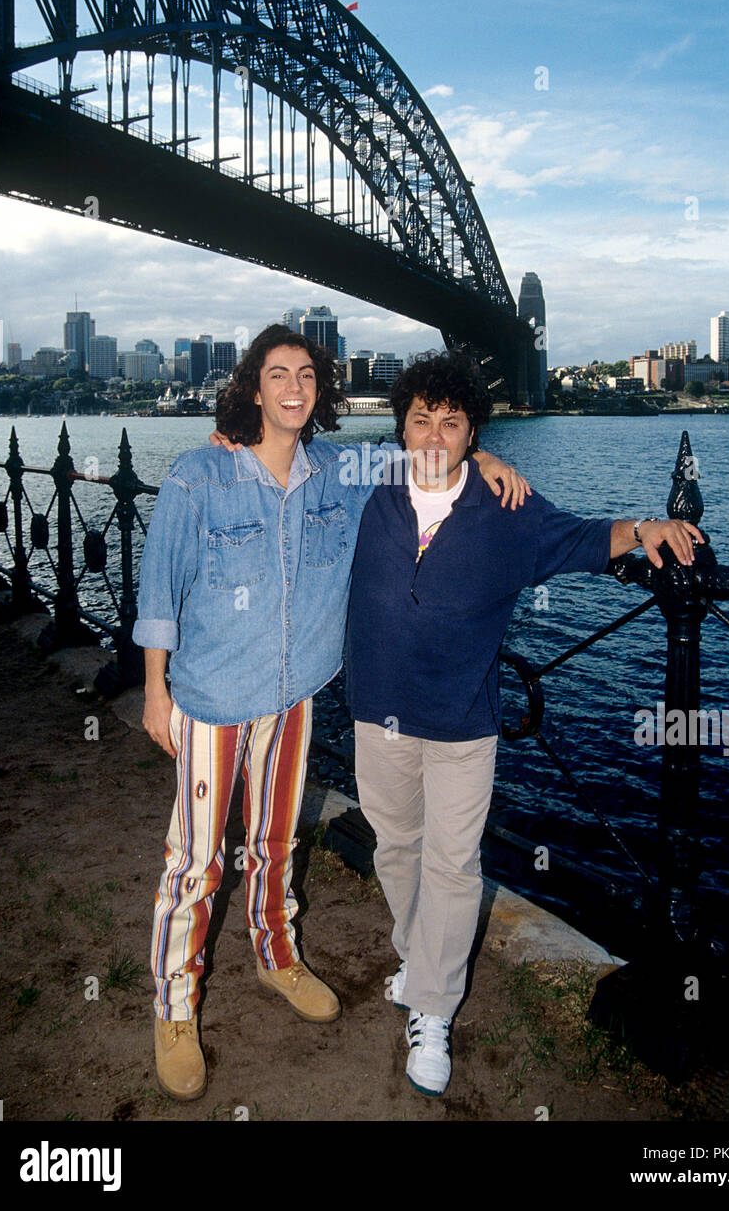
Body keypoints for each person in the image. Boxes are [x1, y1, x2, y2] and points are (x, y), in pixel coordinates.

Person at [133, 324, 526, 1100]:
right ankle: (174, 1007)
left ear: (320, 392)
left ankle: (276, 955)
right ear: (253, 388)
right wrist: (155, 693)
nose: (292, 386)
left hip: (293, 696)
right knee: (195, 862)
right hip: (211, 697)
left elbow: (424, 453)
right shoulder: (198, 477)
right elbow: (158, 593)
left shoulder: (340, 472)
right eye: (276, 373)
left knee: (276, 841)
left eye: (306, 374)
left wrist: (478, 454)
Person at [345, 350, 703, 1097]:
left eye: (453, 422)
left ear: (472, 429)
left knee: (452, 863)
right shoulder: (366, 486)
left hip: (462, 722)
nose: (435, 436)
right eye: (422, 420)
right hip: (375, 710)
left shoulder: (507, 511)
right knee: (395, 845)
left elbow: (579, 539)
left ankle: (434, 1010)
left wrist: (646, 528)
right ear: (400, 427)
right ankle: (417, 952)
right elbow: (292, 454)